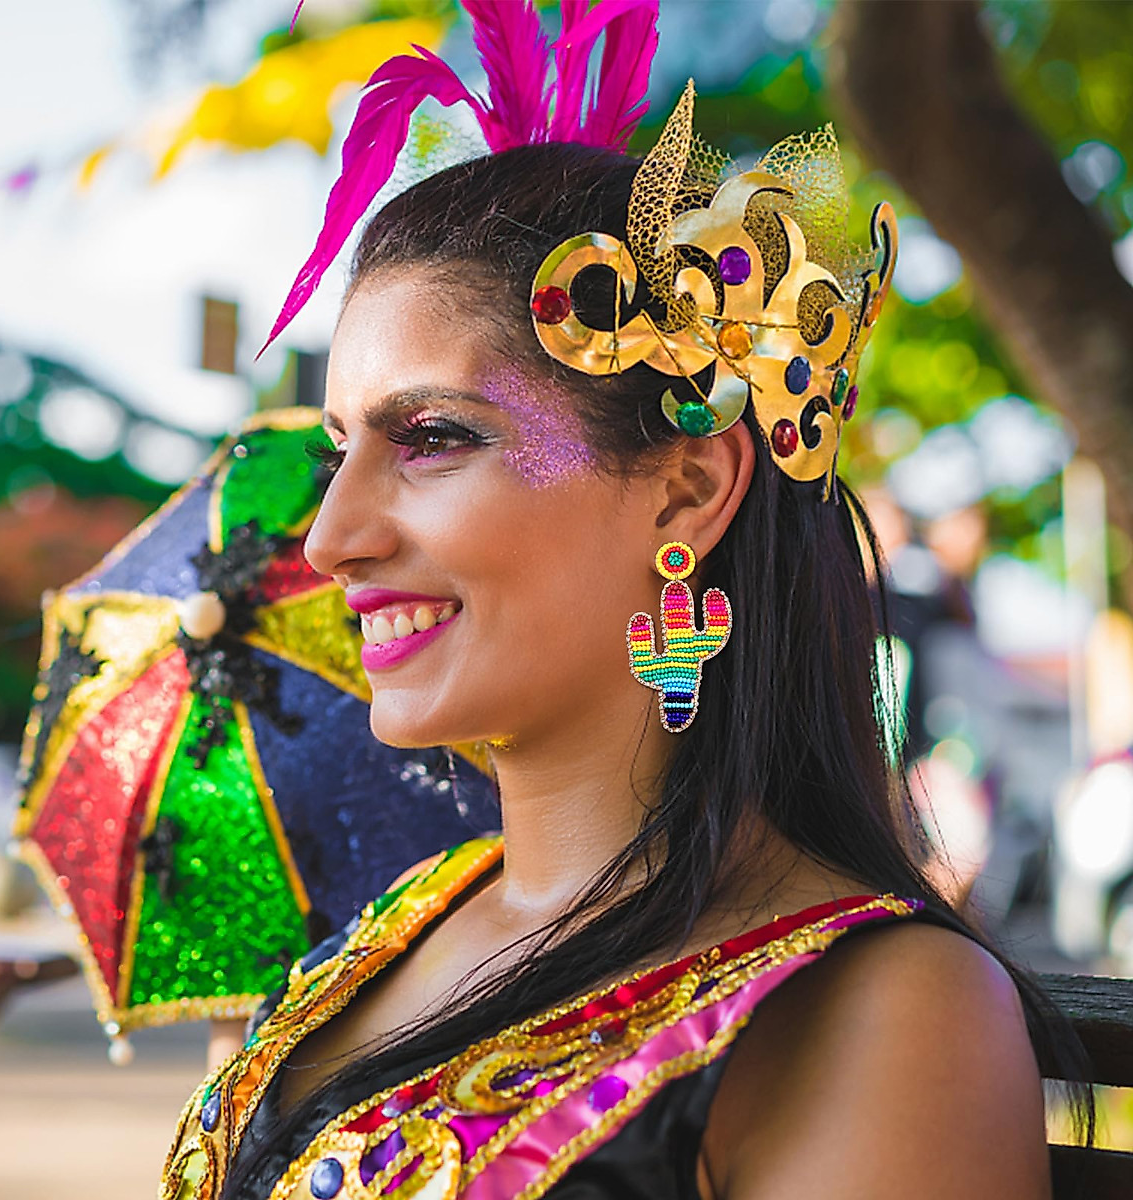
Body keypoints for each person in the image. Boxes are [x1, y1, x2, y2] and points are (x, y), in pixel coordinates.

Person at [161, 4, 1087, 1197]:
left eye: (433, 437)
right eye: (339, 451)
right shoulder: (385, 929)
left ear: (688, 485)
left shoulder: (882, 1010)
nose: (332, 537)